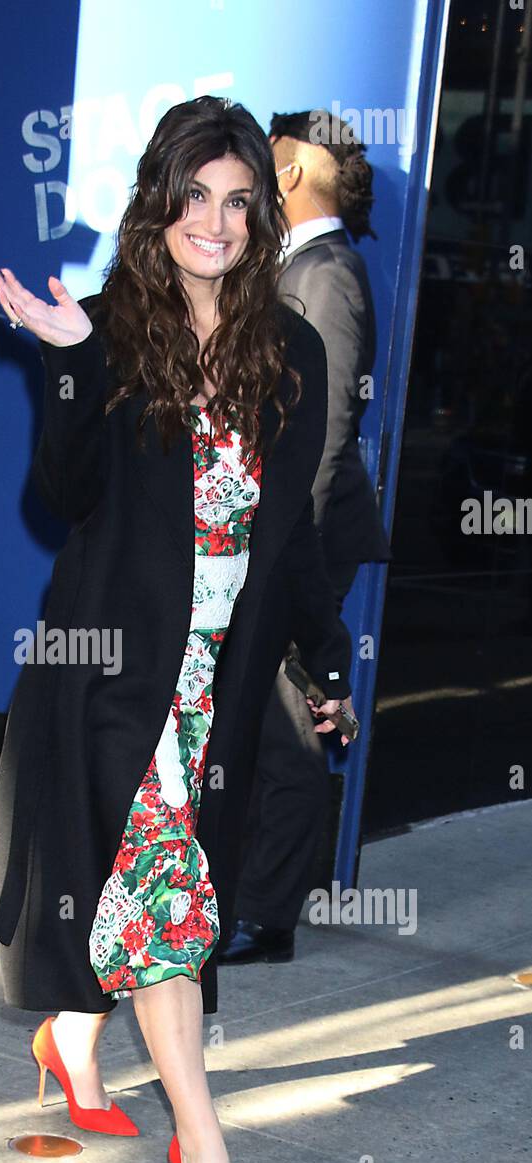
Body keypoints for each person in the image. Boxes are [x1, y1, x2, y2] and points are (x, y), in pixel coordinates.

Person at [0, 97, 356, 1163]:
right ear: (160, 204)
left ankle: (74, 1042)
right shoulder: (107, 327)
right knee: (163, 890)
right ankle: (201, 1135)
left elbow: (286, 530)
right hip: (112, 666)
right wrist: (67, 367)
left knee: (154, 880)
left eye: (237, 200)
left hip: (219, 680)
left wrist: (321, 652)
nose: (215, 220)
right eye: (193, 196)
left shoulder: (285, 348)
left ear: (258, 215)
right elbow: (62, 498)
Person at [222, 110, 392, 966]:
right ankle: (251, 899)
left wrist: (289, 559)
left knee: (293, 729)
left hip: (303, 538)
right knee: (266, 723)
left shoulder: (325, 274)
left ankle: (266, 916)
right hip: (286, 535)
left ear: (287, 174)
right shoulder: (306, 267)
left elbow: (322, 437)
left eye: (263, 164)